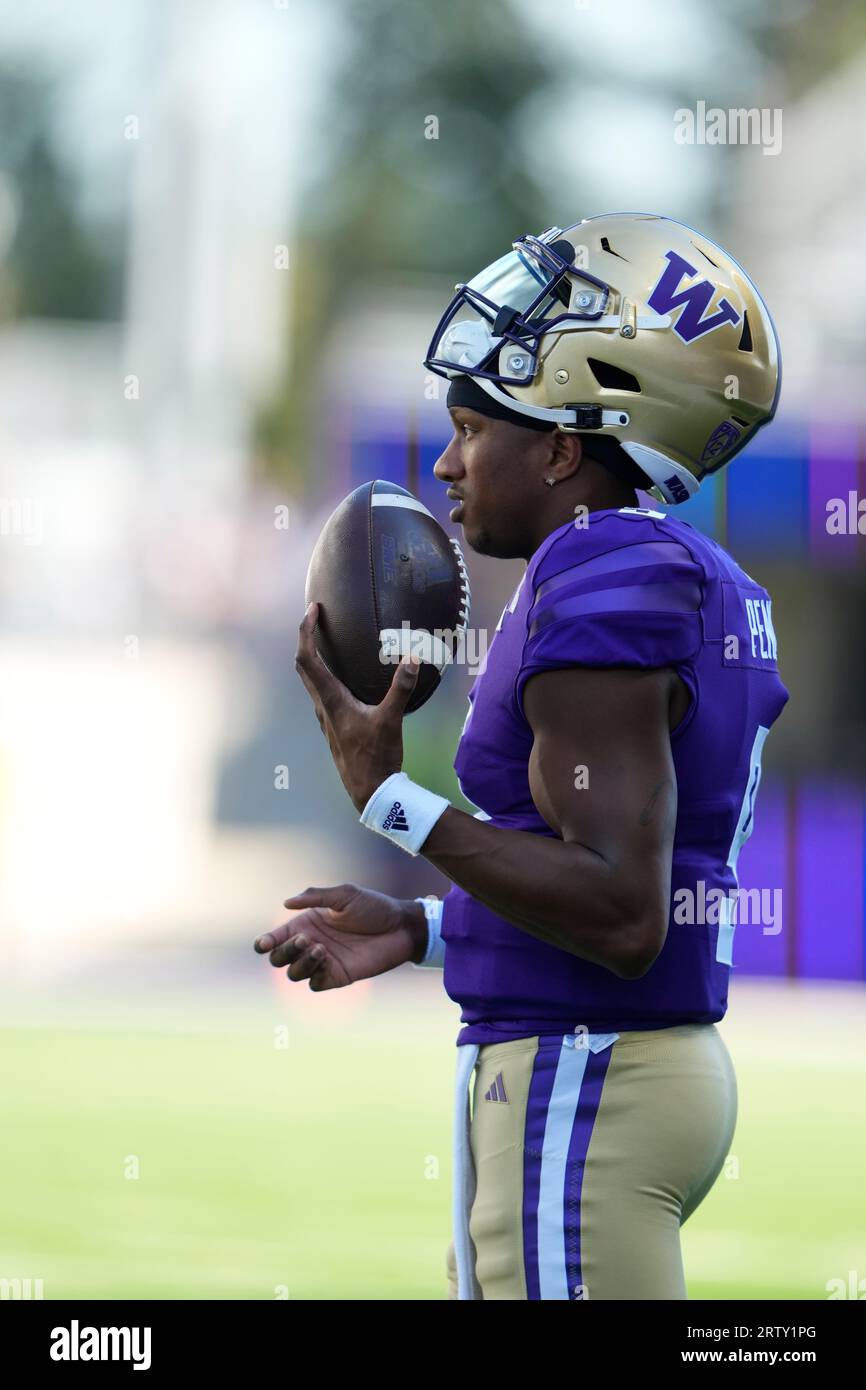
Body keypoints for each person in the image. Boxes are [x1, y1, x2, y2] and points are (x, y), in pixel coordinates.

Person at [254, 213, 788, 1300]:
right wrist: (424, 927)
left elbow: (621, 913)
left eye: (468, 426)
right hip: (612, 1068)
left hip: (586, 1076)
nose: (446, 463)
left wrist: (390, 799)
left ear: (557, 445)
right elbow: (622, 878)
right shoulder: (668, 567)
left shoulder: (599, 572)